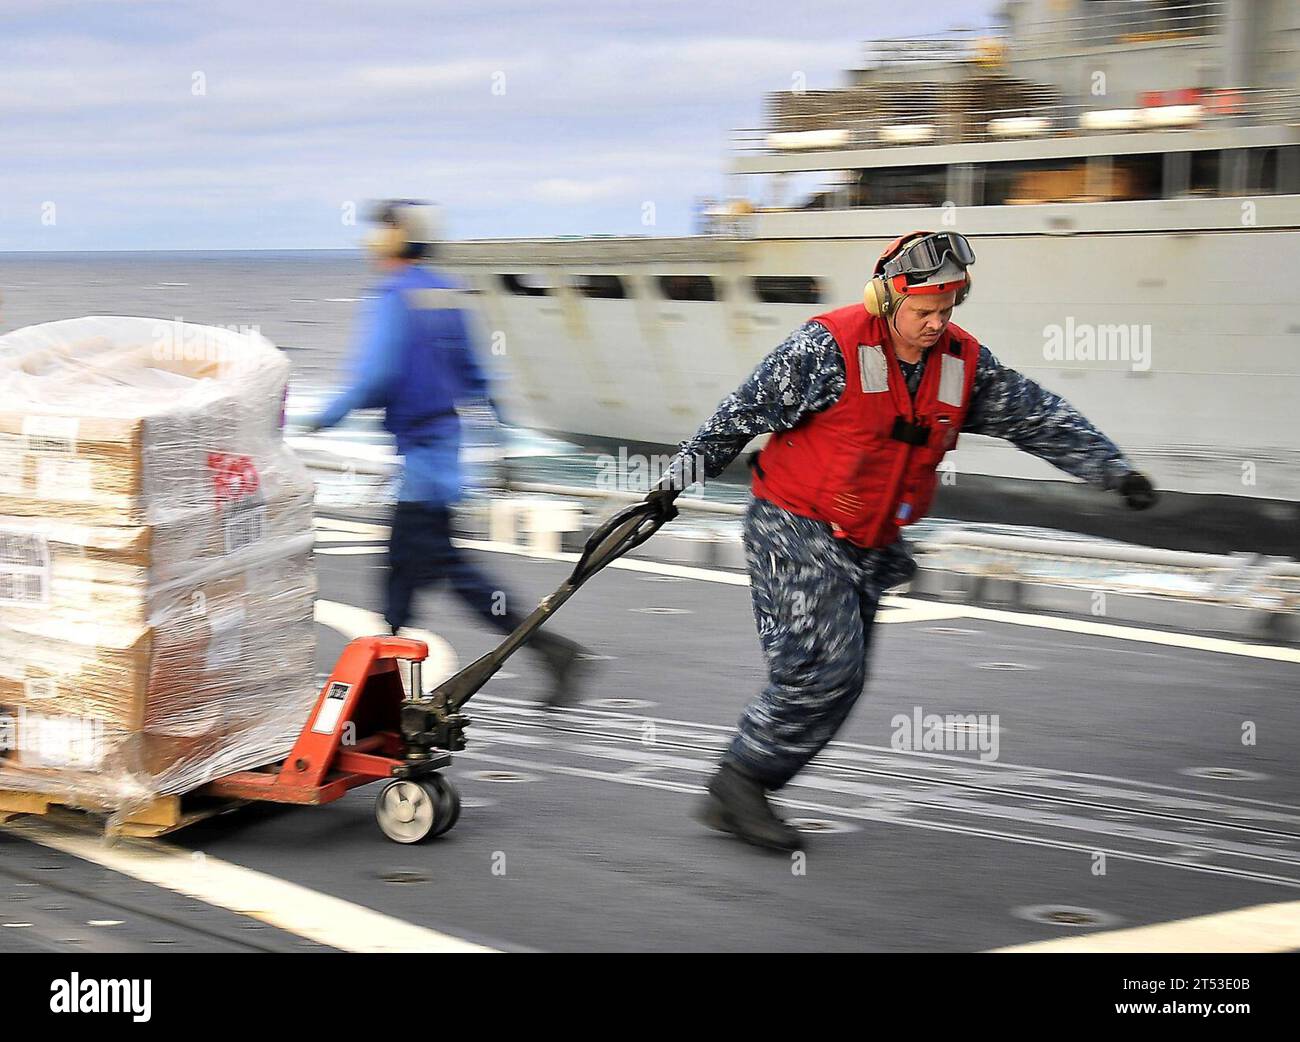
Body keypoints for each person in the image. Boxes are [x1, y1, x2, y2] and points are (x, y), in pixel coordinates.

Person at [645, 230, 1157, 851]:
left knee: (844, 677)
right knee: (823, 668)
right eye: (923, 312)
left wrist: (1112, 469)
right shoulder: (826, 347)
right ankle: (741, 783)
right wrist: (673, 483)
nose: (936, 324)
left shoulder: (963, 363)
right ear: (887, 299)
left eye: (946, 311)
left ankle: (744, 783)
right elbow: (740, 415)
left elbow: (1036, 416)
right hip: (794, 526)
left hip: (872, 540)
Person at [308, 200, 589, 705]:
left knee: (417, 573)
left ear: (396, 239)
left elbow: (377, 376)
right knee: (426, 572)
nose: (372, 240)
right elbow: (480, 377)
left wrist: (321, 417)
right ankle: (545, 651)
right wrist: (502, 444)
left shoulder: (394, 294)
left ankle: (545, 650)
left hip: (421, 462)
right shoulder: (446, 295)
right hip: (445, 457)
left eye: (381, 230)